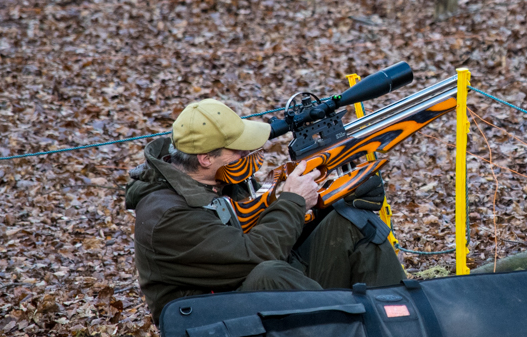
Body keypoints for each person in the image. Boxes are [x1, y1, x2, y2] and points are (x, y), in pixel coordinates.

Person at [124, 98, 406, 322]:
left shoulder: (220, 180)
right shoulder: (167, 216)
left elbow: (267, 227)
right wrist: (294, 201)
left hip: (248, 293)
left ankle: (403, 321)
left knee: (349, 222)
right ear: (206, 158)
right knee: (270, 274)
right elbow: (255, 255)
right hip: (208, 321)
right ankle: (358, 335)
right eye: (238, 151)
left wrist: (331, 198)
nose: (248, 155)